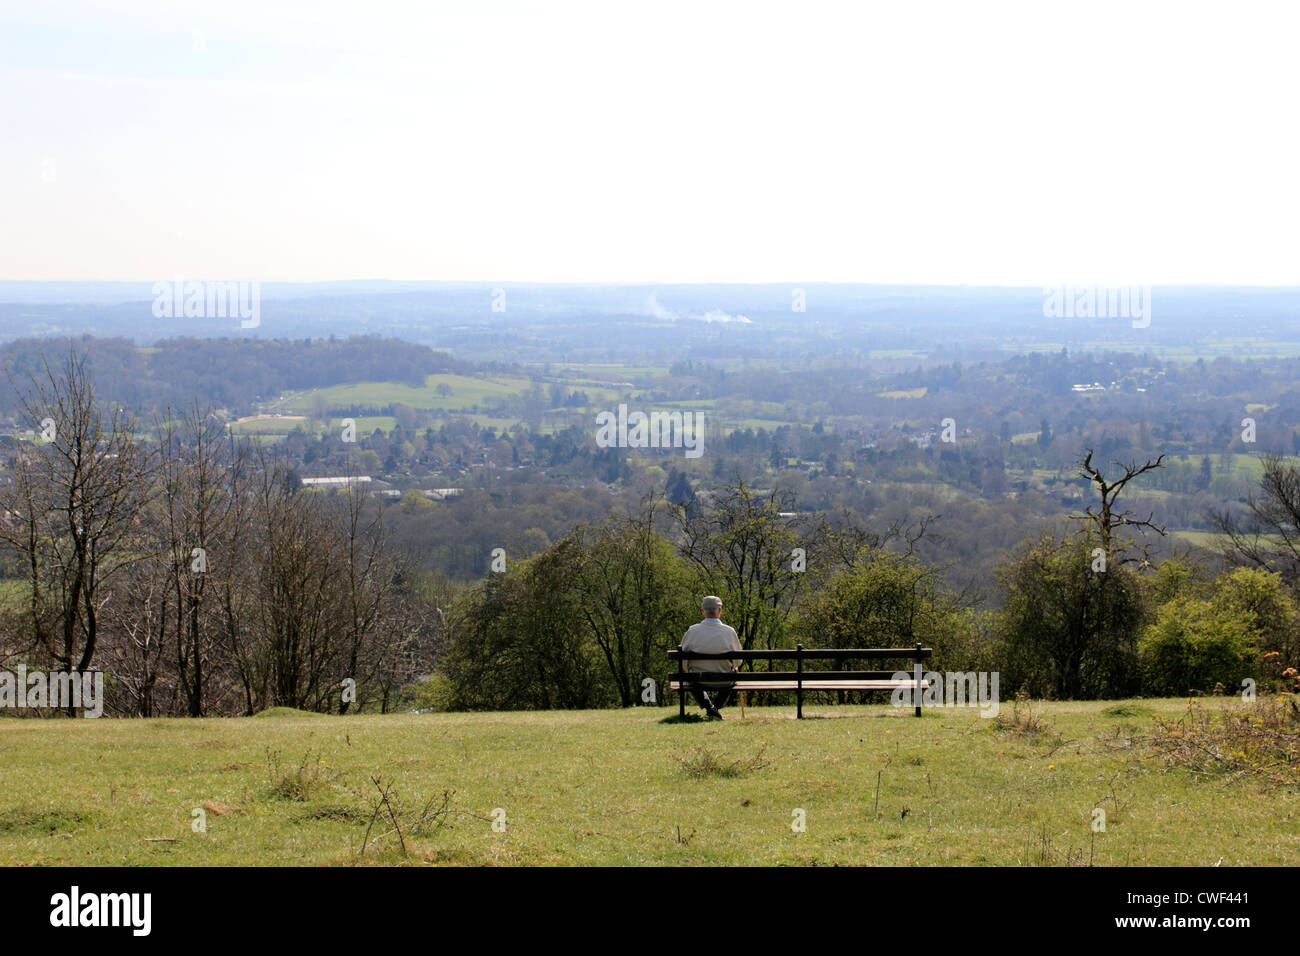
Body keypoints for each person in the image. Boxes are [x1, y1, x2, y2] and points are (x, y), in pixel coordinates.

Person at [680, 595, 742, 719]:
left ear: (703, 611)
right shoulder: (729, 632)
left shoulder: (692, 631)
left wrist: (688, 671)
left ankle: (709, 708)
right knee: (732, 675)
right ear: (720, 610)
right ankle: (714, 708)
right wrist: (734, 667)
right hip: (724, 680)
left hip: (698, 679)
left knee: (690, 678)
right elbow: (738, 661)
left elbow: (684, 659)